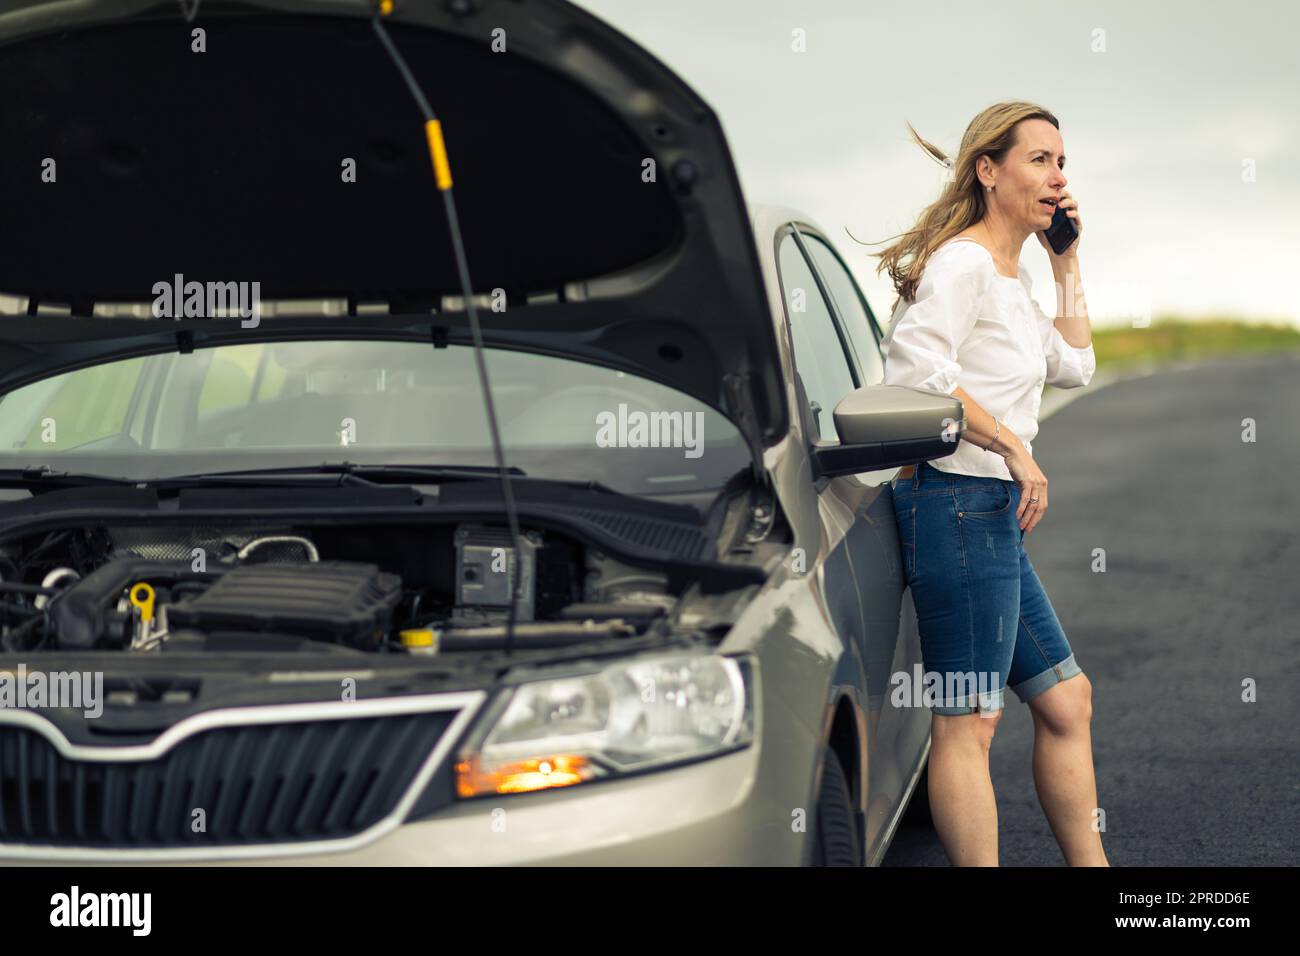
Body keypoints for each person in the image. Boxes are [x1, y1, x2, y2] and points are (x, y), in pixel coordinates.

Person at [873, 101, 1109, 866]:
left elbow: (1075, 365)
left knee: (1066, 700)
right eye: (1039, 159)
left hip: (990, 513)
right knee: (967, 722)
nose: (1058, 176)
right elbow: (916, 374)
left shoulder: (1009, 277)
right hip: (955, 503)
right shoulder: (964, 264)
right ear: (988, 170)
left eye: (1062, 161)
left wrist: (1065, 262)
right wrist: (1012, 446)